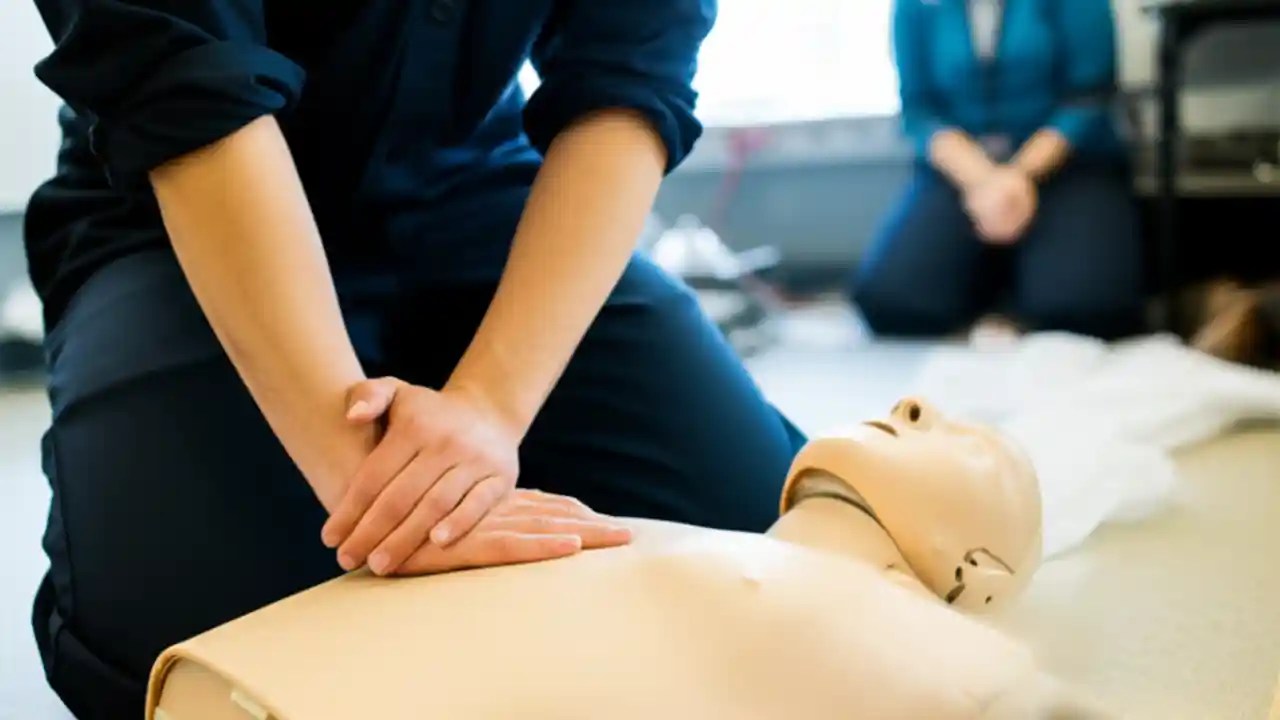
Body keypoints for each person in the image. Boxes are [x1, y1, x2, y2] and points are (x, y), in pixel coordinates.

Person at [25, 2, 806, 717]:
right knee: (199, 642)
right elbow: (182, 80)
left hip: (475, 192)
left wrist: (491, 408)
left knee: (767, 536)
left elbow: (632, 75)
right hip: (177, 212)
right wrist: (380, 492)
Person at [150, 397, 1107, 719]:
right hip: (234, 677)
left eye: (965, 441)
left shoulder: (908, 640)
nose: (910, 405)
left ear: (976, 579)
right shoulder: (659, 539)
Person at [852, 0, 1144, 340]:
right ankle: (995, 275)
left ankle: (1025, 275)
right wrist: (984, 181)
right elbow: (918, 110)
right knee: (891, 302)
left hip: (1067, 162)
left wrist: (1016, 177)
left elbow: (1088, 97)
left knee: (1087, 310)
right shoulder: (915, 6)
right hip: (962, 168)